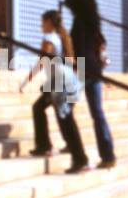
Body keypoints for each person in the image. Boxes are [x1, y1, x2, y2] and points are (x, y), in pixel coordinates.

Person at [19, 9, 89, 173]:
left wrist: (25, 81)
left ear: (49, 22)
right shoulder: (62, 37)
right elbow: (71, 62)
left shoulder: (49, 38)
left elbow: (42, 62)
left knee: (66, 122)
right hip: (66, 82)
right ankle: (44, 146)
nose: (40, 26)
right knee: (41, 109)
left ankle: (80, 160)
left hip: (60, 84)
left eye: (42, 22)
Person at [63, 0, 116, 169]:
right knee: (97, 113)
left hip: (83, 69)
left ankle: (74, 148)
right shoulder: (93, 21)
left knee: (64, 110)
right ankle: (108, 155)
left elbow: (79, 48)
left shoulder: (79, 23)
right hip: (94, 69)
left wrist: (75, 68)